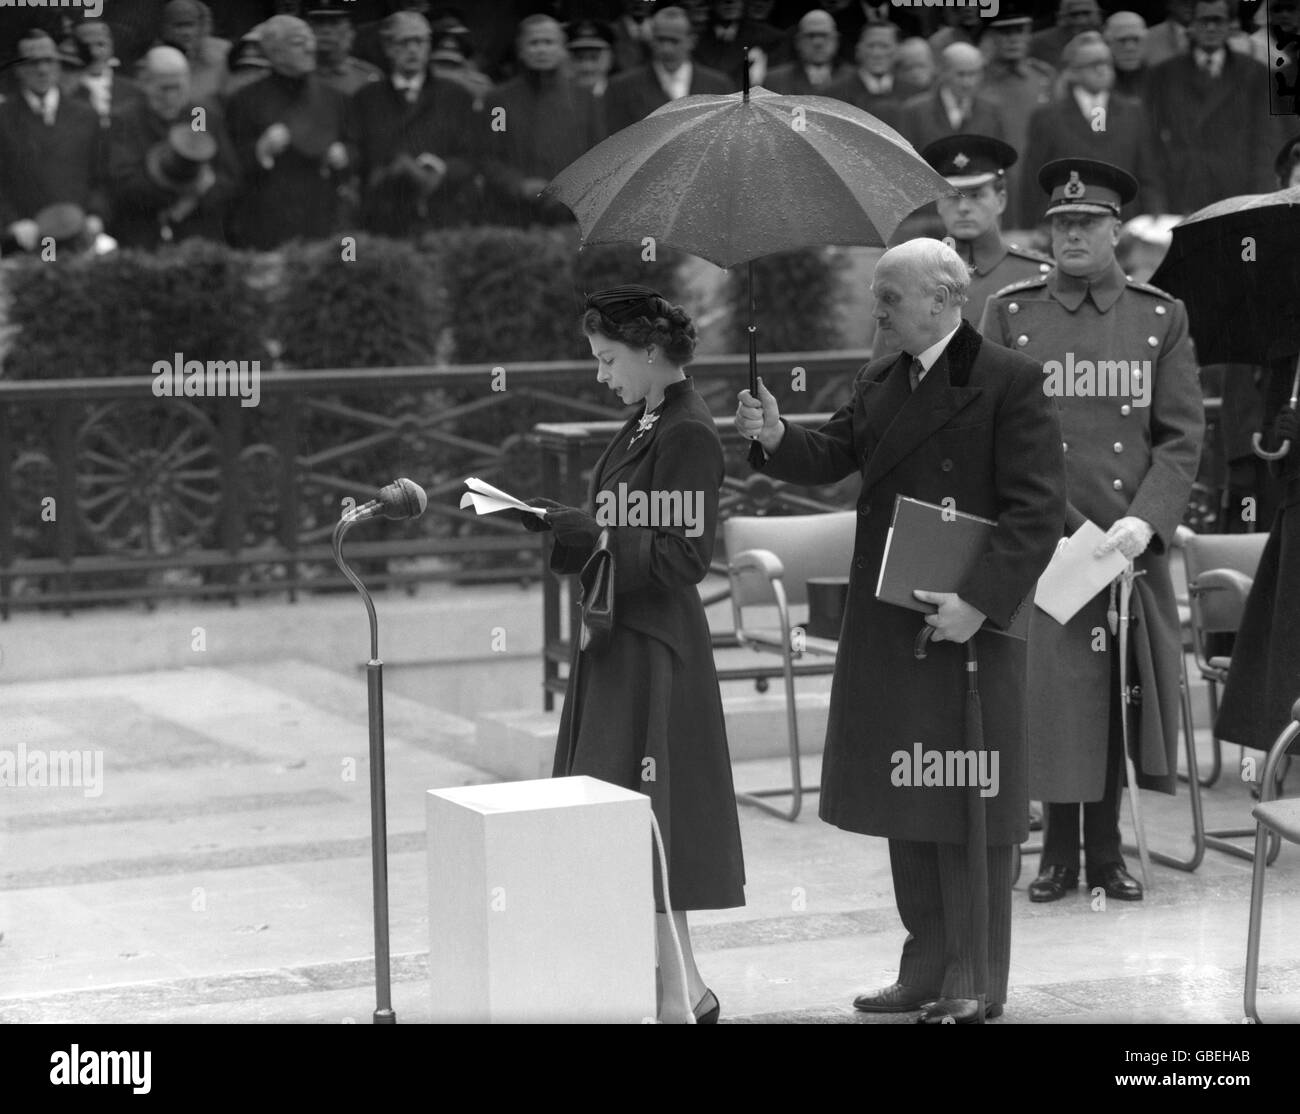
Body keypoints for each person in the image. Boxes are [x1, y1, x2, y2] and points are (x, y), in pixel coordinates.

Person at [736, 238, 1067, 1023]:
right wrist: (778, 435)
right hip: (891, 625)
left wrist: (978, 603)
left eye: (890, 296)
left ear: (944, 298)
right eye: (878, 295)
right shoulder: (881, 377)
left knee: (967, 808)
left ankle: (972, 980)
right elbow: (835, 455)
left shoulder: (1007, 381)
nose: (876, 309)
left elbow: (1036, 511)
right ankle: (923, 969)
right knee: (908, 800)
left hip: (967, 633)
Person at [980, 158, 1204, 905]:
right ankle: (1058, 855)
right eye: (1060, 224)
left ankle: (1107, 851)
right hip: (1044, 547)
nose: (1071, 235)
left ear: (1114, 230)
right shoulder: (1012, 314)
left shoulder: (1159, 316)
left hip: (1126, 547)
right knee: (1049, 700)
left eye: (1086, 223)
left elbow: (1180, 435)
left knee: (1119, 697)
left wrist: (1147, 518)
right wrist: (1040, 519)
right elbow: (993, 427)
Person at [520, 285, 746, 1025]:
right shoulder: (644, 419)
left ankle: (681, 993)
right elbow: (620, 530)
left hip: (656, 650)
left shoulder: (687, 431)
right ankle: (679, 988)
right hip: (621, 642)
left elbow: (685, 556)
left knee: (653, 822)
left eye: (608, 358)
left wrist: (599, 538)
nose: (600, 373)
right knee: (625, 822)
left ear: (651, 352)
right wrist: (572, 532)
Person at [224, 14, 351, 249]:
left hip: (322, 220)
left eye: (309, 40)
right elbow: (229, 164)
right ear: (276, 53)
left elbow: (358, 150)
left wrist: (345, 155)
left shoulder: (335, 99)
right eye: (297, 42)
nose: (309, 47)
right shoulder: (244, 100)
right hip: (267, 223)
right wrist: (260, 150)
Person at [348, 10, 478, 236]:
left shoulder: (457, 96)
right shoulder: (366, 98)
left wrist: (442, 168)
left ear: (429, 46)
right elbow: (357, 155)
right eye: (404, 42)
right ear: (388, 47)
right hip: (383, 220)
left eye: (419, 41)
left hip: (441, 218)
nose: (412, 49)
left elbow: (475, 154)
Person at [1018, 32, 1166, 228]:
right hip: (1068, 223)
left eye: (1106, 63)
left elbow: (1148, 171)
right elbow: (1033, 181)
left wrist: (1154, 214)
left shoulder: (1133, 112)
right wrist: (1035, 226)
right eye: (1093, 64)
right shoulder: (1047, 118)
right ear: (1073, 71)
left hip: (1124, 224)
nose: (1102, 70)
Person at [1145, 0, 1277, 214]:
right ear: (1191, 25)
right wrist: (1156, 202)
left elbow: (1265, 142)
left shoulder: (1255, 74)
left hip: (1236, 193)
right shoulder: (1163, 76)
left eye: (1218, 20)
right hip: (1181, 191)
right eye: (1204, 21)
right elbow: (1150, 143)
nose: (1211, 28)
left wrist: (1260, 199)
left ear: (1230, 25)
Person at [108, 46, 238, 249]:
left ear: (188, 82)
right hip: (142, 237)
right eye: (163, 88)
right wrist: (178, 197)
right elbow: (120, 180)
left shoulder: (202, 115)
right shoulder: (125, 119)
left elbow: (228, 177)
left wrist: (197, 199)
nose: (170, 97)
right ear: (146, 83)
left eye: (177, 88)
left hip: (199, 236)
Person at [479, 16, 602, 228]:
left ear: (562, 49)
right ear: (521, 51)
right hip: (514, 216)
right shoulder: (498, 101)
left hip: (571, 217)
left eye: (549, 42)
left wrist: (570, 190)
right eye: (534, 43)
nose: (541, 49)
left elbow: (601, 155)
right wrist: (520, 186)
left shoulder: (585, 99)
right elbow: (488, 156)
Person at [0, 30, 108, 255]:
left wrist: (95, 215)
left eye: (48, 61)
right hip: (23, 243)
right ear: (19, 69)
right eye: (33, 62)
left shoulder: (86, 116)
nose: (42, 69)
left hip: (79, 240)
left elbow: (101, 174)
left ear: (58, 66)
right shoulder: (4, 117)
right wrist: (11, 222)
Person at [602, 6, 732, 136]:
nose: (666, 49)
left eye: (674, 41)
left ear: (691, 41)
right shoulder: (622, 87)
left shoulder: (719, 86)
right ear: (651, 40)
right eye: (660, 40)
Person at [979, 5, 1055, 225]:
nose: (1013, 39)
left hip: (1038, 176)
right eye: (1004, 33)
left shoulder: (1044, 77)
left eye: (1019, 31)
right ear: (991, 37)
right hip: (994, 179)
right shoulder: (978, 80)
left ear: (1029, 34)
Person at [897, 43, 1006, 154]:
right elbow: (905, 159)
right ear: (944, 72)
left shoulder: (992, 110)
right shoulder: (915, 111)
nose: (967, 83)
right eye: (961, 74)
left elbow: (999, 159)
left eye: (973, 74)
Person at [825, 22, 921, 128]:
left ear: (898, 51)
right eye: (870, 46)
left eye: (884, 46)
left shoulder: (915, 94)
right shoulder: (833, 94)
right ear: (858, 50)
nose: (877, 53)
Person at [65, 20, 142, 127]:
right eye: (86, 46)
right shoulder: (66, 90)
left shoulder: (131, 90)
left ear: (111, 47)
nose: (94, 52)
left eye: (100, 45)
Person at [306, 1, 384, 97]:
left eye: (334, 23)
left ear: (351, 33)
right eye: (319, 23)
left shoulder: (368, 77)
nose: (325, 30)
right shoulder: (295, 74)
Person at [765, 9, 853, 94]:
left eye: (824, 35)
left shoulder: (855, 79)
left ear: (836, 41)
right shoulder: (774, 80)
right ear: (798, 41)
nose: (818, 42)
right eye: (811, 36)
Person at [1030, 0, 1103, 67]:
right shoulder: (1038, 43)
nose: (1081, 21)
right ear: (1059, 17)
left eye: (1086, 13)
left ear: (1099, 15)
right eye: (1074, 15)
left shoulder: (1109, 38)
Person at [1103, 11, 1152, 100]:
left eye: (1136, 40)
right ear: (1107, 44)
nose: (1130, 48)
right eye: (1122, 40)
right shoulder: (1097, 84)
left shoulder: (1160, 80)